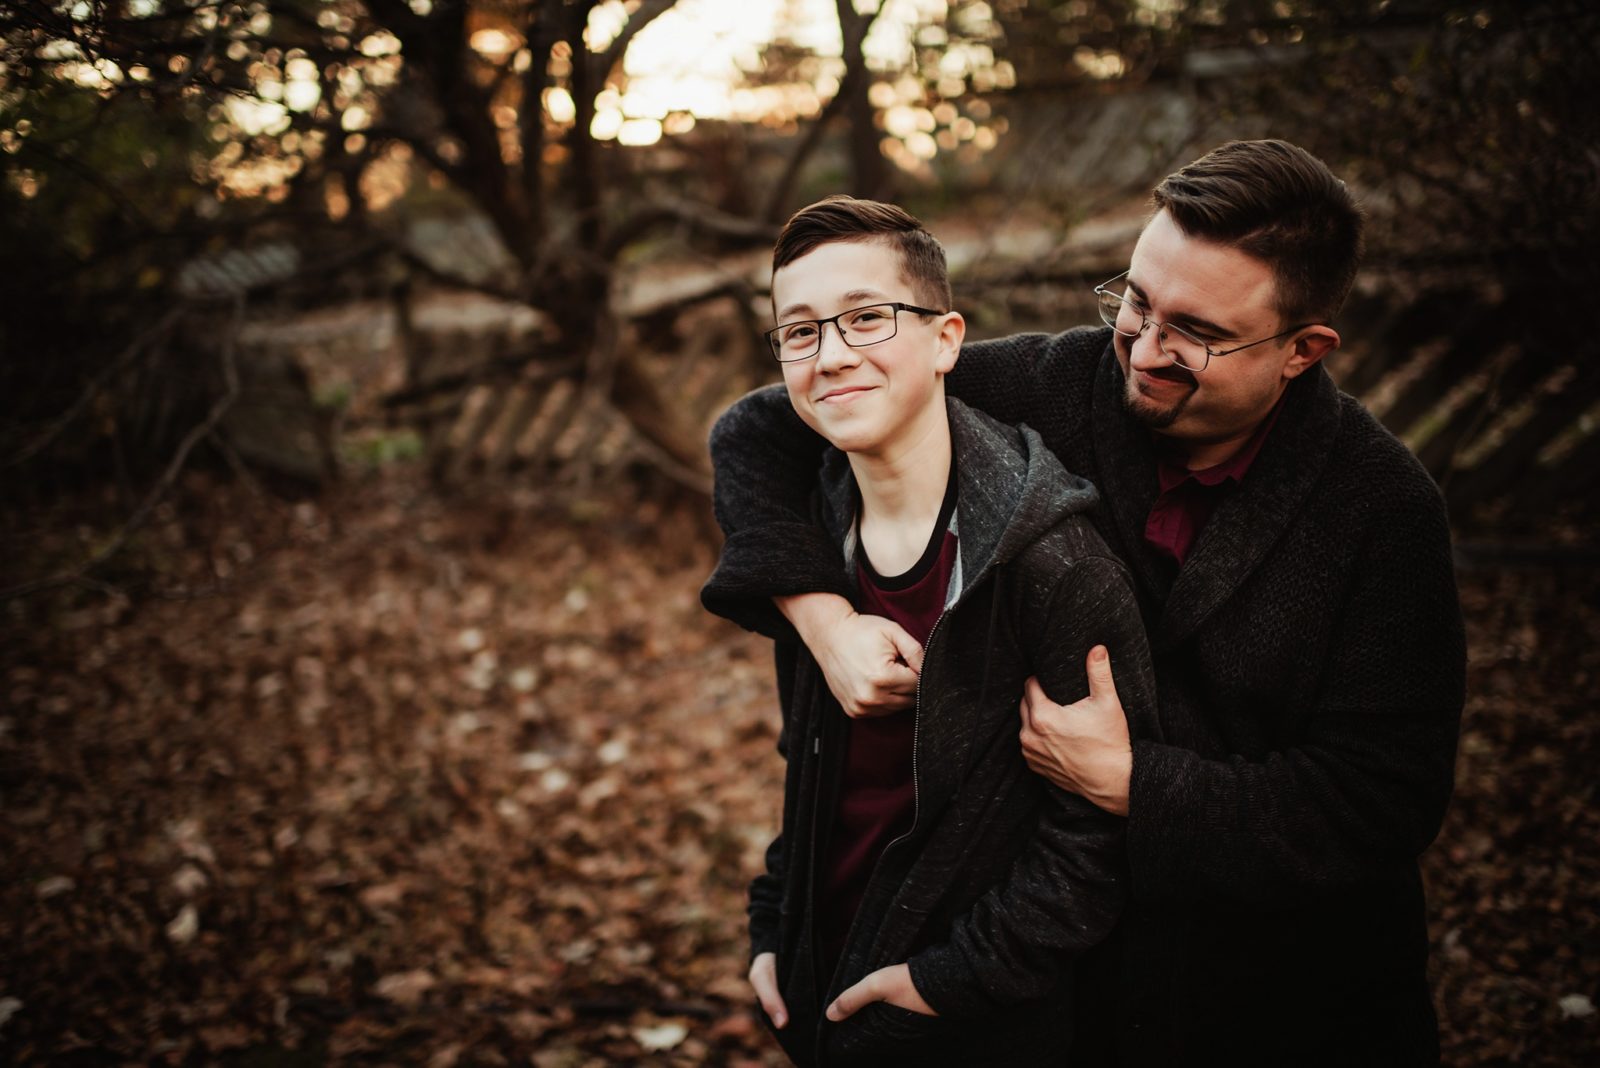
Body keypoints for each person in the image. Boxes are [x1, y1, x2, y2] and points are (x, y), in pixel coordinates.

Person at [705, 141, 1467, 1065]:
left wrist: (1138, 783)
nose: (1142, 350)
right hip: (1088, 989)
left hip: (1290, 999)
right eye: (1135, 301)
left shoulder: (1381, 510)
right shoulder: (1053, 384)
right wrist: (826, 625)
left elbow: (1381, 804)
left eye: (1195, 333)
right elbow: (760, 430)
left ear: (1302, 351)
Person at [702, 196, 1159, 1066]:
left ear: (946, 339)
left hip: (976, 1025)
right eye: (800, 332)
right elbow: (817, 767)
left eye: (866, 318)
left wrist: (951, 983)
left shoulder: (1052, 563)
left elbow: (1101, 839)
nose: (832, 355)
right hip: (818, 986)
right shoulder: (813, 542)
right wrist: (776, 926)